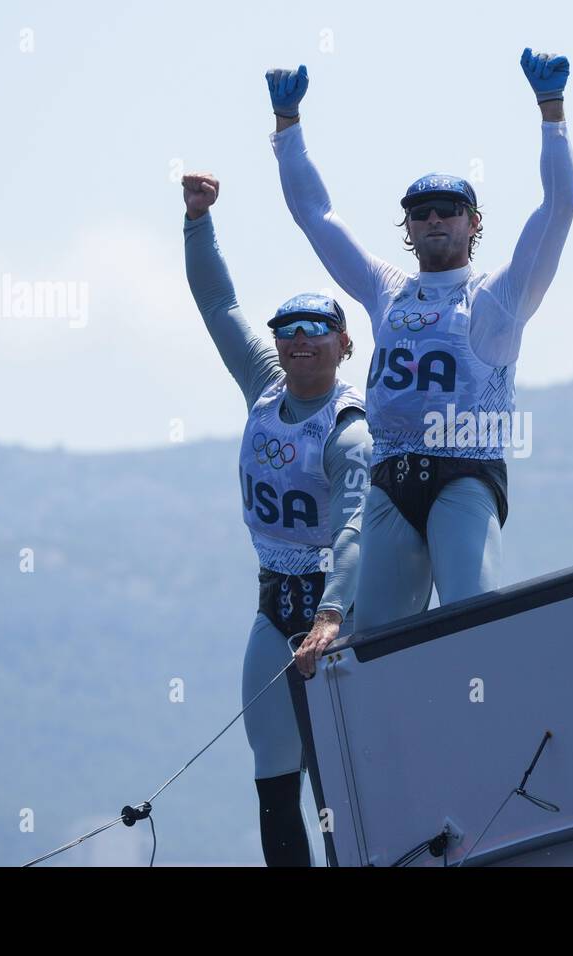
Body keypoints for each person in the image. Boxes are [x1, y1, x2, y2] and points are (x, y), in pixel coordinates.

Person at [264, 48, 573, 629]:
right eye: (420, 211)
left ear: (473, 222)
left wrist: (551, 110)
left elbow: (559, 207)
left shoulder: (498, 298)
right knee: (373, 644)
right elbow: (316, 215)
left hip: (465, 475)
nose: (434, 219)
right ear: (408, 227)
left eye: (449, 209)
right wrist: (288, 127)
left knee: (468, 624)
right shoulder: (387, 290)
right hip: (391, 479)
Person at [182, 171, 371, 866]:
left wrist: (329, 619)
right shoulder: (263, 386)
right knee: (272, 777)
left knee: (340, 784)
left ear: (342, 344)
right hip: (271, 610)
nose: (297, 343)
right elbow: (218, 305)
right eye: (287, 333)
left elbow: (354, 525)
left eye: (315, 333)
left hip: (336, 618)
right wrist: (198, 219)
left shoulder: (349, 430)